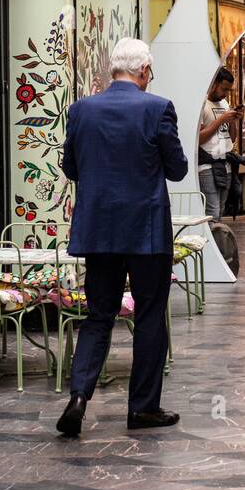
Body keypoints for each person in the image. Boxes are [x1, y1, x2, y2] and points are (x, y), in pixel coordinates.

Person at [55, 38, 188, 438]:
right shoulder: (157, 108)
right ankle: (143, 407)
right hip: (146, 232)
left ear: (112, 69)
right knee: (149, 315)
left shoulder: (81, 109)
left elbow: (71, 167)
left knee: (98, 315)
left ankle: (79, 395)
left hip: (99, 230)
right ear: (144, 70)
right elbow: (178, 169)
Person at [197, 68, 243, 221]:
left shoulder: (224, 103)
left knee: (221, 210)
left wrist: (233, 120)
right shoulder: (202, 104)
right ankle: (213, 244)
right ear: (214, 84)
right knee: (213, 211)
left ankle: (217, 241)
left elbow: (232, 137)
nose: (226, 93)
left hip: (226, 163)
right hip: (208, 164)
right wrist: (221, 119)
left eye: (228, 90)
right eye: (224, 89)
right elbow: (200, 139)